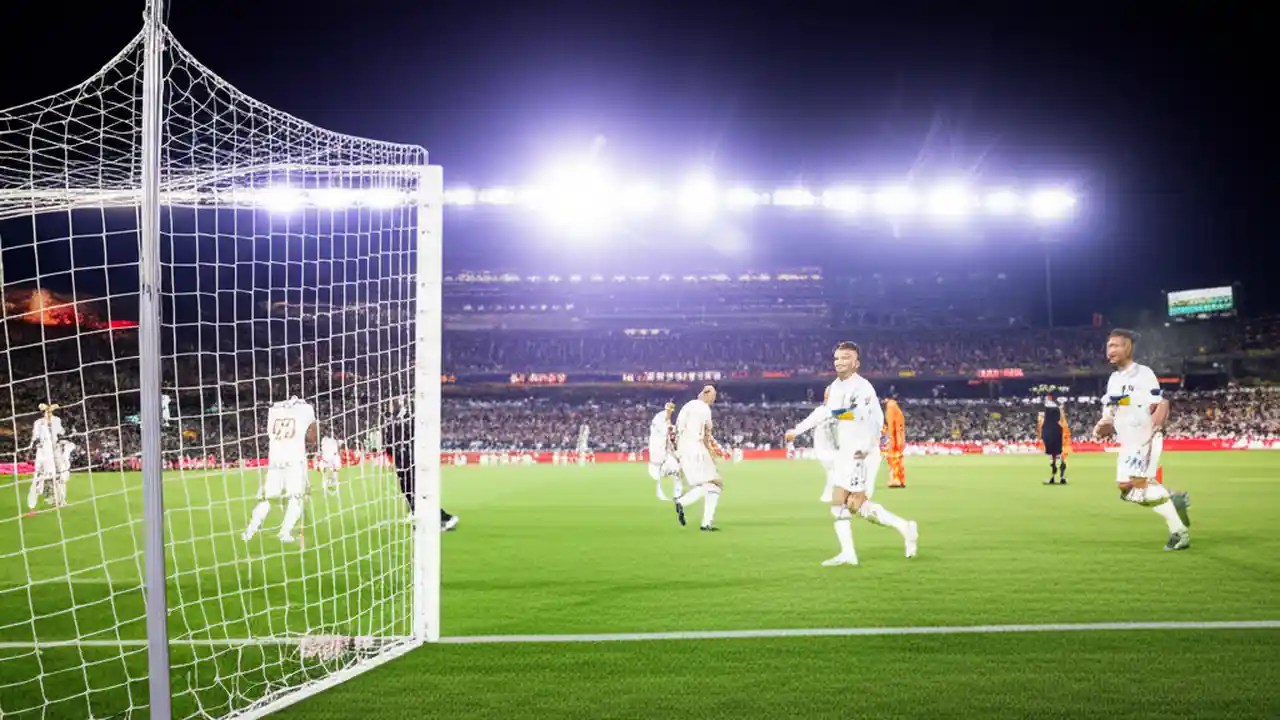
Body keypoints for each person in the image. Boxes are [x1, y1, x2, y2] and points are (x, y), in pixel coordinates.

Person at [787, 342, 917, 566]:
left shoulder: (862, 388)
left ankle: (903, 529)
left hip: (862, 453)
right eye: (837, 358)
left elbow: (865, 418)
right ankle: (852, 552)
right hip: (847, 453)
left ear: (856, 363)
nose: (839, 361)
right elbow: (827, 412)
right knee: (841, 503)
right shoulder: (837, 386)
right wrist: (796, 431)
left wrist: (864, 446)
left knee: (853, 504)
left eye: (845, 358)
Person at [1092, 329, 1192, 550]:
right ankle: (1173, 499)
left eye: (1115, 345)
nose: (1110, 350)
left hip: (1142, 439)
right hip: (1127, 441)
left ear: (1128, 347)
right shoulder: (1114, 379)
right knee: (1127, 490)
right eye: (1109, 346)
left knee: (1139, 485)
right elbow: (1110, 409)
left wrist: (1152, 431)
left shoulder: (1143, 373)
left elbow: (1161, 403)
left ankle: (1179, 532)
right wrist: (1104, 423)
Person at [243, 396, 316, 543]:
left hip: (275, 459)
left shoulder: (274, 410)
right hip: (295, 459)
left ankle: (249, 531)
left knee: (268, 499)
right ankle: (284, 533)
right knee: (296, 498)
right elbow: (312, 437)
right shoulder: (306, 409)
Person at [384, 412, 458, 532]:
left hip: (411, 461)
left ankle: (446, 518)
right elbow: (388, 443)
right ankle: (416, 513)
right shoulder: (392, 422)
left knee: (419, 493)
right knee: (406, 490)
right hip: (401, 461)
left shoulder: (411, 420)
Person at [672, 386, 730, 531]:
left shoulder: (686, 407)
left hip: (683, 450)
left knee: (713, 485)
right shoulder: (704, 409)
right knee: (714, 484)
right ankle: (682, 502)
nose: (714, 399)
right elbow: (706, 435)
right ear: (706, 394)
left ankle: (706, 523)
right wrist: (717, 451)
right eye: (713, 396)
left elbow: (676, 430)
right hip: (696, 449)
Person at [787, 388, 838, 503]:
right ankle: (828, 496)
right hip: (824, 448)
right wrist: (794, 432)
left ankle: (832, 496)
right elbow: (807, 423)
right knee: (834, 470)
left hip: (834, 448)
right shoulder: (822, 412)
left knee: (836, 471)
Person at [25, 403, 66, 516]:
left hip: (55, 452)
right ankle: (32, 505)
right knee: (38, 477)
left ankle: (60, 500)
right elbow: (35, 437)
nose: (48, 413)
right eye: (46, 411)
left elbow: (62, 433)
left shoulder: (56, 420)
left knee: (58, 476)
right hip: (43, 453)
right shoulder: (38, 423)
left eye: (50, 411)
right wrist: (32, 449)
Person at [647, 401, 682, 501]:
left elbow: (670, 433)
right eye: (669, 409)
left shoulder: (666, 419)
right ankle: (663, 493)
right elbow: (666, 430)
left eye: (671, 410)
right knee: (662, 474)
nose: (670, 412)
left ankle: (677, 494)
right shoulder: (659, 418)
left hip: (666, 452)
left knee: (677, 471)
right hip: (658, 452)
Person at [1038, 394, 1069, 485]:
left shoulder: (1050, 411)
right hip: (1060, 432)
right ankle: (1060, 477)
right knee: (1059, 457)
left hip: (1056, 433)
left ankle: (1055, 477)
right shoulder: (1059, 409)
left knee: (1054, 457)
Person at [882, 395, 906, 489]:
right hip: (898, 437)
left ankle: (895, 480)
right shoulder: (896, 408)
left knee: (893, 459)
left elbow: (892, 425)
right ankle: (900, 479)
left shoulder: (891, 406)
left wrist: (891, 439)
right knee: (898, 460)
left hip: (894, 439)